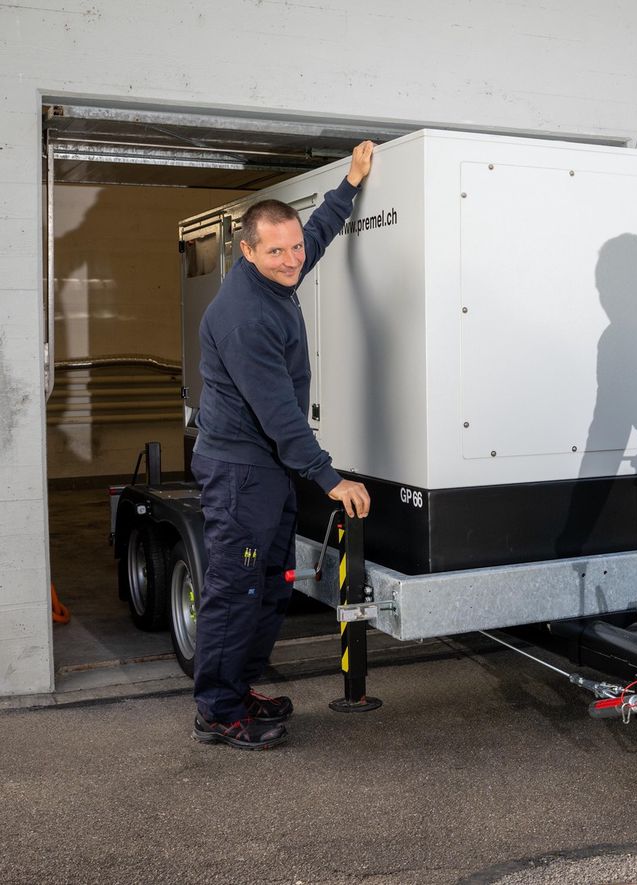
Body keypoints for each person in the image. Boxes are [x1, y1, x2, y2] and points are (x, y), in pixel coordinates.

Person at [189, 141, 376, 750]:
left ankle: (238, 691)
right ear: (246, 252)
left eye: (294, 246)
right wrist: (329, 478)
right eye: (277, 251)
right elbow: (278, 415)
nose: (293, 258)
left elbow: (315, 235)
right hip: (242, 471)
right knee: (235, 591)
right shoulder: (244, 315)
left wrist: (349, 185)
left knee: (270, 586)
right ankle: (217, 711)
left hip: (265, 472)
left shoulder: (279, 270)